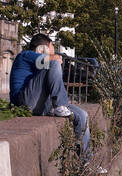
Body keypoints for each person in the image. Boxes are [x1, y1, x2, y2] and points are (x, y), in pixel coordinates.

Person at [9, 34, 96, 167]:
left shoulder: (38, 64)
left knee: (82, 115)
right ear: (42, 49)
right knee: (53, 63)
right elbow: (51, 60)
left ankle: (87, 163)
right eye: (51, 47)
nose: (54, 51)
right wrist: (55, 58)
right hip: (24, 101)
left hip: (39, 103)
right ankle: (60, 105)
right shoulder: (25, 55)